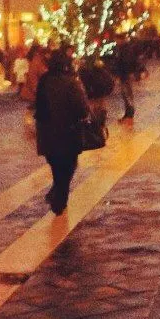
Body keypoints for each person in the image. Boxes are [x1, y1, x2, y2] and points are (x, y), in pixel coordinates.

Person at [35, 49, 90, 215]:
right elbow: (82, 109)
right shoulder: (71, 82)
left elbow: (38, 104)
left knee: (56, 166)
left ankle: (57, 193)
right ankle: (59, 199)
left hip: (47, 131)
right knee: (69, 166)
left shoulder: (44, 80)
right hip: (68, 132)